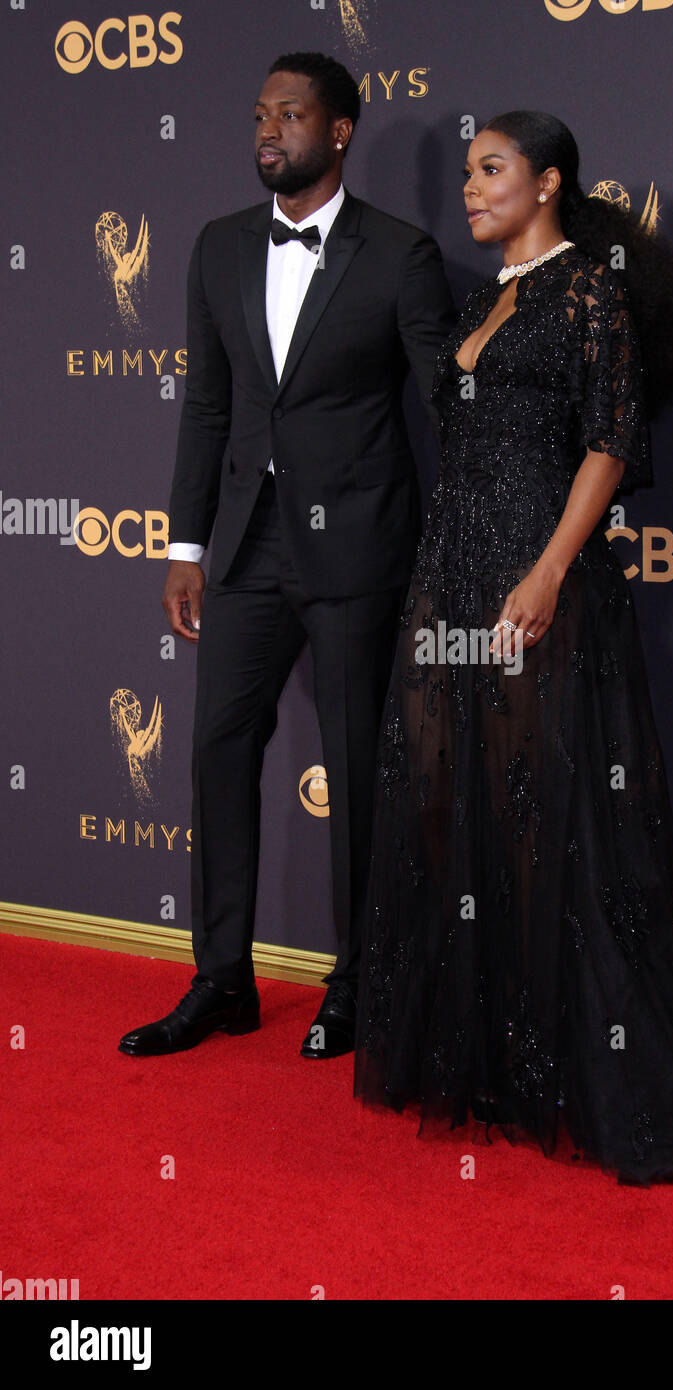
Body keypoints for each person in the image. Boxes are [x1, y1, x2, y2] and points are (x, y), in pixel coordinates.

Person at [352, 111, 673, 1185]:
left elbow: (610, 439)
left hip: (543, 577)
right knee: (456, 803)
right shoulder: (487, 296)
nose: (470, 188)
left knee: (552, 811)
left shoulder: (589, 287)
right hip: (453, 565)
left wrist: (544, 572)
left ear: (547, 182)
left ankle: (586, 1071)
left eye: (490, 170)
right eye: (464, 173)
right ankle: (493, 1056)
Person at [118, 52, 456, 1059]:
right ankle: (221, 977)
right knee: (217, 752)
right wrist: (187, 545)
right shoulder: (218, 246)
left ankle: (358, 983)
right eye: (261, 113)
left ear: (341, 130)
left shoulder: (401, 254)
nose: (270, 130)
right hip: (245, 548)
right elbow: (209, 409)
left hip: (357, 550)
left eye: (292, 115)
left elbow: (443, 404)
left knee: (356, 767)